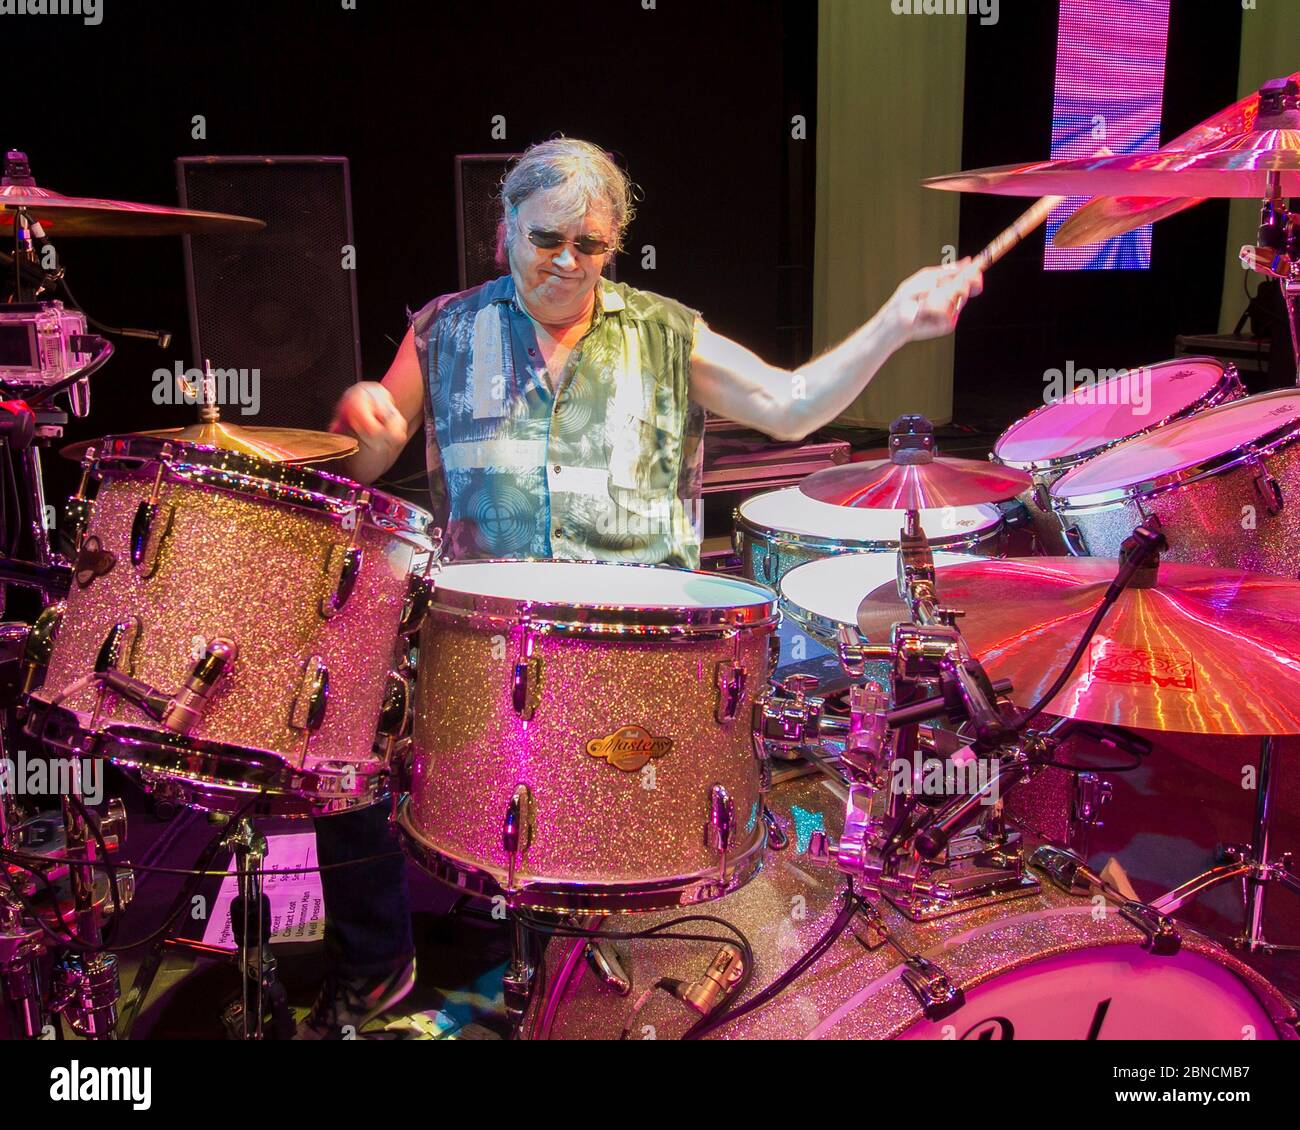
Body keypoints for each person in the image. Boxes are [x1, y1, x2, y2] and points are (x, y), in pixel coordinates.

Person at [296, 137, 983, 1038]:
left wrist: (895, 321)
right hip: (483, 653)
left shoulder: (666, 331)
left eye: (591, 246)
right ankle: (378, 980)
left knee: (620, 901)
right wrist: (366, 423)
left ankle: (595, 969)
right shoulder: (444, 330)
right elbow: (376, 450)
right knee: (332, 755)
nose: (568, 264)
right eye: (548, 241)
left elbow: (790, 404)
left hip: (636, 661)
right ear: (504, 229)